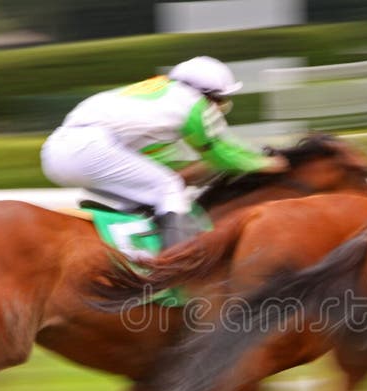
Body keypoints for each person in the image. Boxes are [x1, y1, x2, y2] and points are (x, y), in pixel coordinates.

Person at [41, 56, 288, 248]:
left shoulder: (162, 98)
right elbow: (221, 152)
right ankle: (178, 263)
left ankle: (128, 252)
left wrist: (202, 168)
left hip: (57, 151)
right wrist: (266, 164)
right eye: (220, 99)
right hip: (89, 148)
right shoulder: (193, 103)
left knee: (148, 194)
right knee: (168, 187)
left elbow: (158, 160)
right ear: (208, 94)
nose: (220, 107)